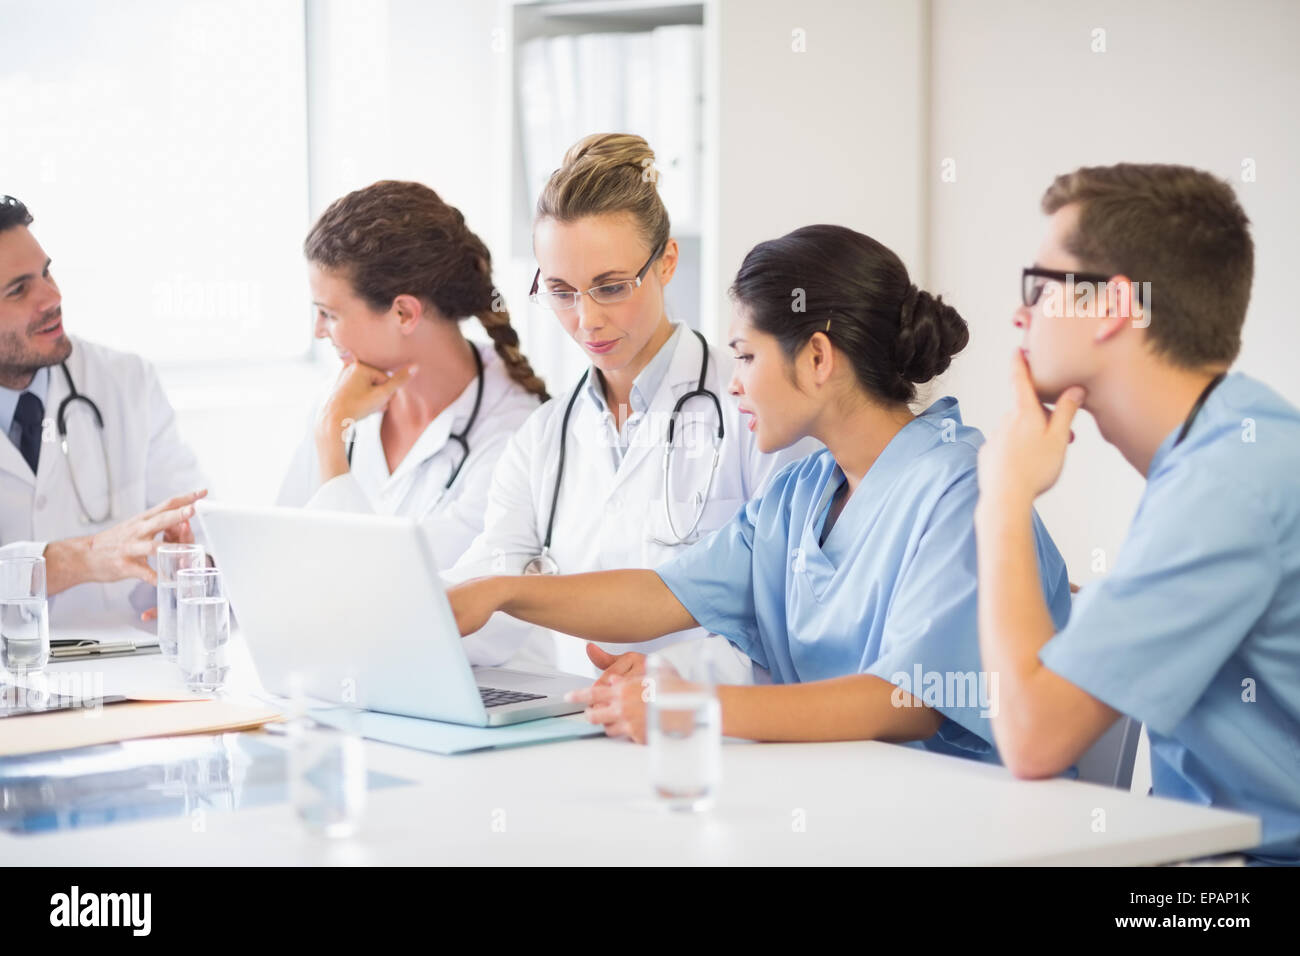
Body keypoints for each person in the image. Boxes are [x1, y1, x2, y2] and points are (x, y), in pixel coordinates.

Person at [450, 224, 1072, 753]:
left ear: (818, 358)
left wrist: (695, 707)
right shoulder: (804, 492)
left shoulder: (958, 486)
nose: (735, 384)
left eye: (746, 357)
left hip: (960, 822)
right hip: (845, 803)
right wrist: (504, 591)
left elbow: (908, 700)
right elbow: (661, 593)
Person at [975, 162, 1300, 864]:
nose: (1018, 314)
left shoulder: (1229, 480)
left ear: (1113, 306)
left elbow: (1032, 737)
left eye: (1040, 286)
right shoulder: (1229, 447)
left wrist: (1002, 495)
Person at [445, 133, 806, 678]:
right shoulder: (544, 437)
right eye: (561, 291)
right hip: (575, 731)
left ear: (666, 263)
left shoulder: (755, 405)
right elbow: (487, 602)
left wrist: (677, 675)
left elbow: (790, 617)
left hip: (714, 738)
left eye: (610, 287)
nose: (585, 319)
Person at [277, 181, 549, 568]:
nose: (319, 331)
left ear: (404, 313)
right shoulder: (341, 400)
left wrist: (331, 440)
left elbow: (381, 586)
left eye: (330, 314)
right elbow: (281, 551)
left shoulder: (515, 434)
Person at [0, 195, 207, 626]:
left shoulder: (126, 381)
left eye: (46, 272)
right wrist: (83, 558)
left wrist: (190, 563)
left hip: (126, 667)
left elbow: (198, 528)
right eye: (19, 290)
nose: (52, 297)